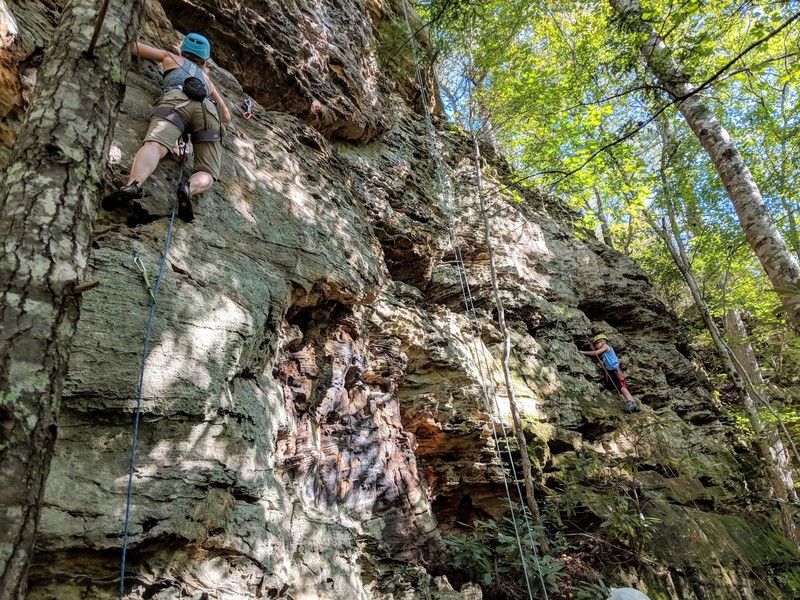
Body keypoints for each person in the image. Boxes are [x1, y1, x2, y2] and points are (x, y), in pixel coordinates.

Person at [102, 33, 232, 222]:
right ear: (204, 60)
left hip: (176, 99)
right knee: (208, 172)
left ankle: (133, 185)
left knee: (154, 146)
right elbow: (226, 116)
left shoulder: (170, 57)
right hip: (208, 110)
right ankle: (189, 188)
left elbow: (131, 45)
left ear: (183, 50)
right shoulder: (208, 80)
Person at [580, 333, 640, 412]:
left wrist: (583, 352)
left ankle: (631, 403)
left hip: (615, 370)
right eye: (595, 344)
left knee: (622, 387)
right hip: (612, 371)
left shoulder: (606, 346)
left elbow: (595, 353)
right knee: (620, 387)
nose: (596, 345)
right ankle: (634, 404)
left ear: (603, 342)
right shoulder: (604, 352)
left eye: (597, 343)